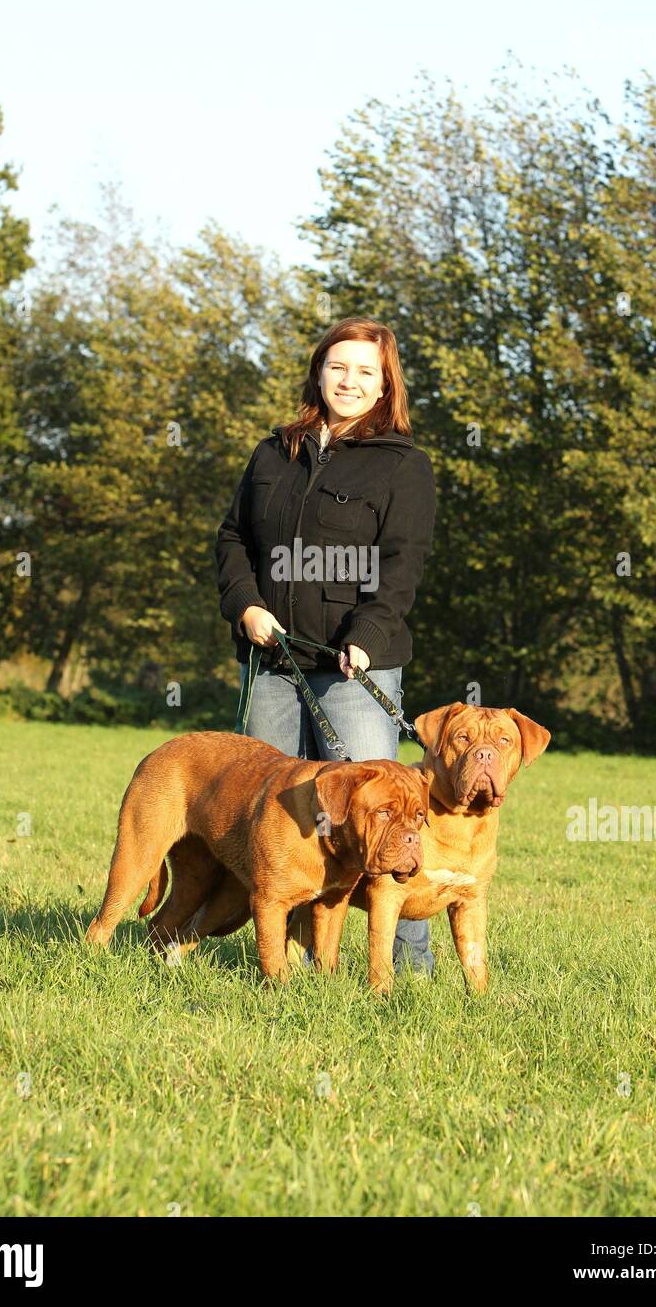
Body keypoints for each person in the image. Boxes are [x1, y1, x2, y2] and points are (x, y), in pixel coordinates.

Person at [214, 315, 437, 973]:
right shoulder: (270, 453)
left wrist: (367, 637)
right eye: (338, 366)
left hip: (352, 671)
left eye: (366, 371)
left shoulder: (404, 465)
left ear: (385, 385)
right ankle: (292, 961)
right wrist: (246, 605)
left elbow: (403, 564)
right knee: (279, 824)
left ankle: (408, 968)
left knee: (383, 824)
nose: (349, 379)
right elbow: (231, 540)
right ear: (318, 371)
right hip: (274, 663)